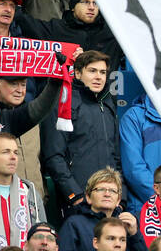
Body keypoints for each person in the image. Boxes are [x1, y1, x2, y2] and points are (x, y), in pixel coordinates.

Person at [45, 49, 119, 205]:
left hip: (110, 200)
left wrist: (121, 198)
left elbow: (117, 158)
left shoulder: (109, 106)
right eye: (92, 71)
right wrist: (75, 194)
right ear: (77, 74)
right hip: (80, 199)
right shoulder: (64, 102)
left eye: (102, 72)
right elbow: (54, 156)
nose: (98, 77)